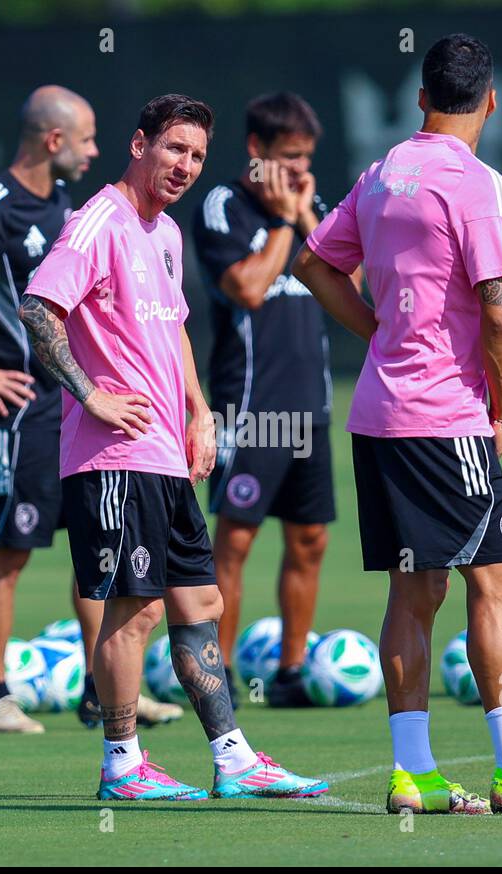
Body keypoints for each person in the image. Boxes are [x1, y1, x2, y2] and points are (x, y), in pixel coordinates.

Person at [295, 35, 502, 814]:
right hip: (444, 416)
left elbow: (312, 265)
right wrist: (501, 407)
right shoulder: (477, 184)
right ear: (491, 99)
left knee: (416, 589)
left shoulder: (381, 173)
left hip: (379, 413)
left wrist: (377, 335)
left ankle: (414, 774)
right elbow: (500, 308)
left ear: (421, 98)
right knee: (501, 581)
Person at [17, 94, 328, 800]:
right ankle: (122, 764)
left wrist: (198, 412)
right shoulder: (98, 220)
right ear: (139, 144)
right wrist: (89, 395)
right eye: (173, 149)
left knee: (200, 604)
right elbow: (38, 309)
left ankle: (233, 758)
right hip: (114, 456)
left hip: (163, 452)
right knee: (140, 609)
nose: (184, 165)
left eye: (195, 155)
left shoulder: (163, 233)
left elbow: (176, 328)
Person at [0, 85, 180, 732]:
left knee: (93, 547)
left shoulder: (63, 206)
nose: (94, 151)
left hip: (74, 407)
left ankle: (104, 689)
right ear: (53, 140)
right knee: (11, 549)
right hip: (18, 411)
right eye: (85, 139)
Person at [192, 91, 340, 708]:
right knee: (236, 540)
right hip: (251, 409)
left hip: (312, 405)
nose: (302, 170)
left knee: (310, 540)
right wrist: (284, 222)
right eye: (289, 157)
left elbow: (353, 288)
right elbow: (248, 289)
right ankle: (218, 674)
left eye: (308, 157)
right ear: (257, 151)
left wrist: (306, 218)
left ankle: (290, 673)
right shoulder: (224, 205)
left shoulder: (314, 206)